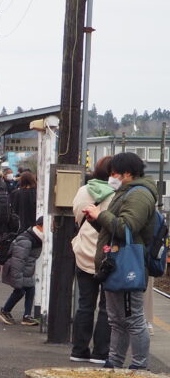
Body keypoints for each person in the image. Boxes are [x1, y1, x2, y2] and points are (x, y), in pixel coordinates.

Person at [82, 152, 158, 370]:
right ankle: (114, 362)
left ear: (127, 173)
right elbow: (116, 229)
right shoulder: (126, 192)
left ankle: (138, 366)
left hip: (127, 265)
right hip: (115, 263)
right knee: (117, 320)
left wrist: (101, 215)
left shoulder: (139, 195)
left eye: (114, 173)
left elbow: (127, 227)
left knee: (133, 319)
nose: (111, 177)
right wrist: (97, 220)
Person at [69, 155, 114, 363]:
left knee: (85, 303)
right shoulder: (119, 195)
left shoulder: (83, 190)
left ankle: (78, 350)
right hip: (109, 254)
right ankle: (100, 352)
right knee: (106, 306)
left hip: (85, 251)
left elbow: (77, 216)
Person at [0, 216, 44, 326]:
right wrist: (17, 279)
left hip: (25, 270)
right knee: (20, 290)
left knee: (30, 289)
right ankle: (5, 311)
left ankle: (27, 316)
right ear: (39, 226)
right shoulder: (27, 241)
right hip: (16, 269)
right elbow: (18, 261)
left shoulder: (36, 238)